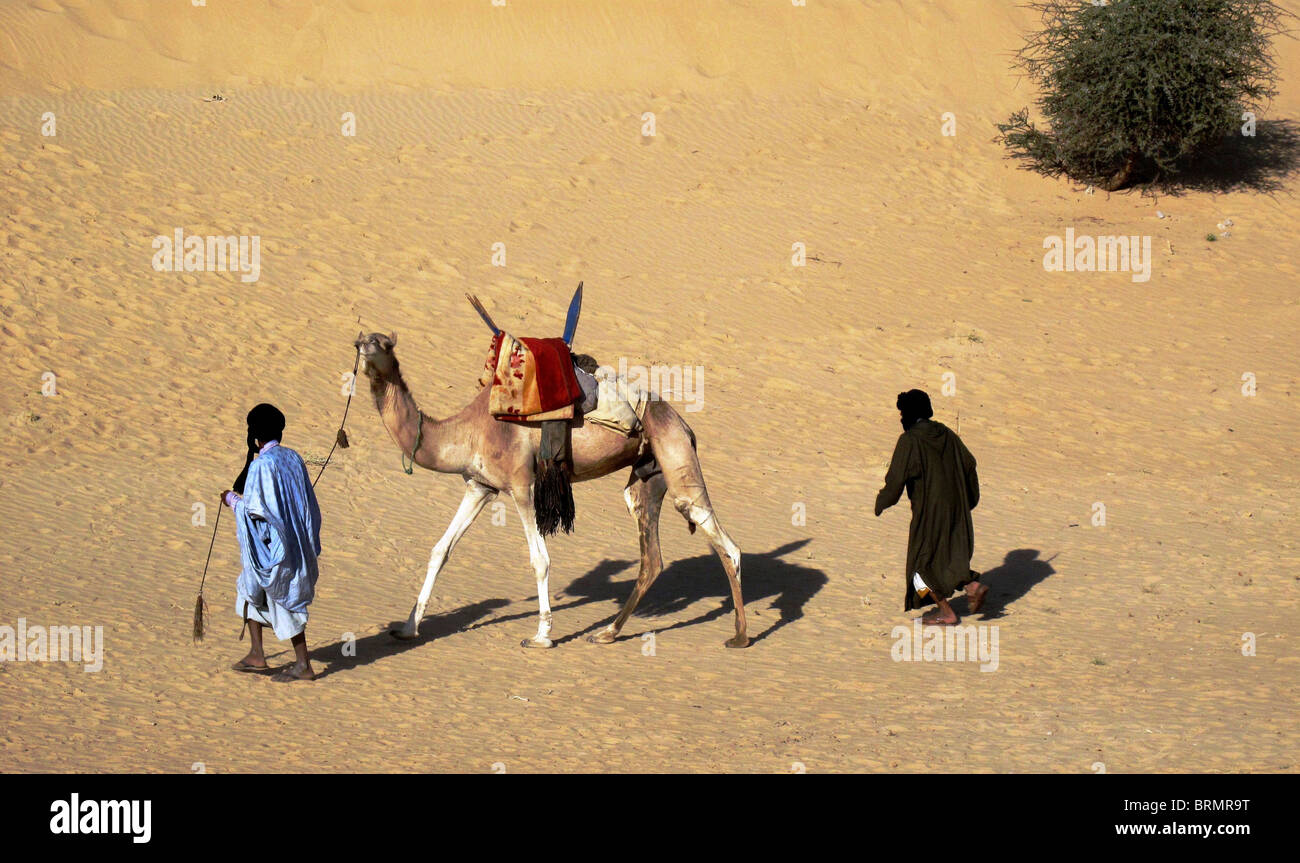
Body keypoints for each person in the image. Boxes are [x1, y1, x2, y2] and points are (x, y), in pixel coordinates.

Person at [221, 403, 322, 681]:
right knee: (248, 589)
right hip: (295, 542)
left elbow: (256, 514)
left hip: (274, 549)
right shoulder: (294, 457)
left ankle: (303, 664)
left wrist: (232, 501)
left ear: (255, 435)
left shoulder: (262, 466)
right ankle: (257, 654)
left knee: (285, 601)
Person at [874, 389, 986, 625]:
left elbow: (896, 479)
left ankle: (946, 611)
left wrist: (883, 501)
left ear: (908, 414)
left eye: (902, 413)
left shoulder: (910, 440)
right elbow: (969, 465)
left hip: (930, 513)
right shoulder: (946, 433)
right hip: (957, 509)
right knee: (950, 558)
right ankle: (973, 585)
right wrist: (968, 501)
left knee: (919, 569)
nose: (901, 418)